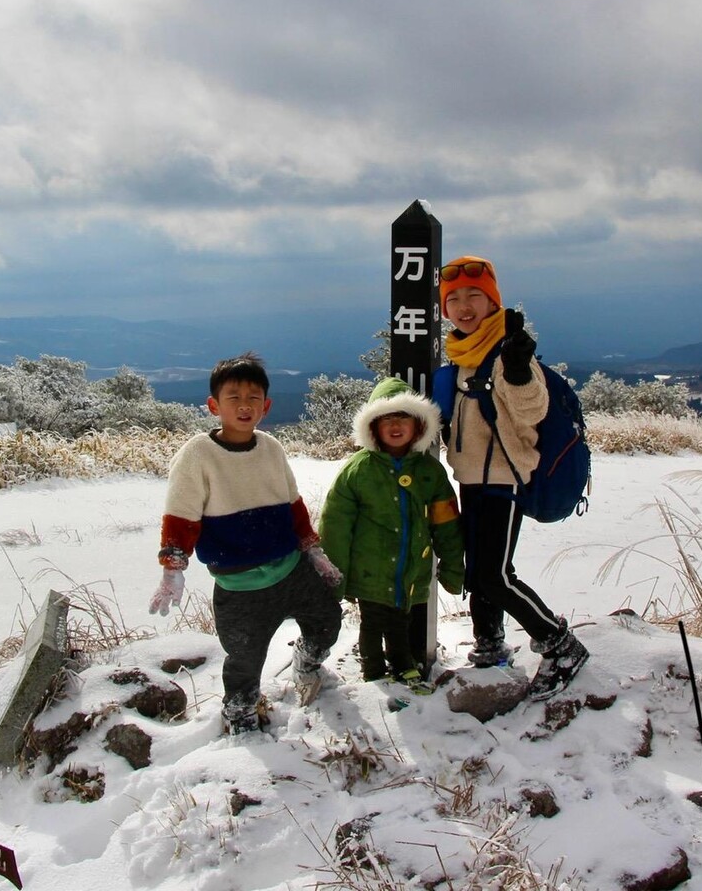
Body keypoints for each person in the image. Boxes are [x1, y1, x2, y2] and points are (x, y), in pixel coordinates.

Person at [147, 352, 344, 734]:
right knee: (244, 659)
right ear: (213, 406)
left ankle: (307, 661)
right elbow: (181, 514)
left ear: (266, 406)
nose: (244, 405)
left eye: (253, 397)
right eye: (233, 397)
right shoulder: (198, 455)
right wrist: (173, 569)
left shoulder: (270, 448)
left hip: (291, 569)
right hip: (240, 587)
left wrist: (312, 549)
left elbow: (292, 503)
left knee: (327, 623)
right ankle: (240, 716)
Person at [435, 256, 589, 700]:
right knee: (484, 567)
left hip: (504, 479)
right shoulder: (464, 352)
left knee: (493, 574)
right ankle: (489, 642)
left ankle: (561, 645)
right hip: (473, 478)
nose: (464, 306)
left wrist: (520, 371)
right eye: (455, 299)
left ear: (492, 302)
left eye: (475, 296)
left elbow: (531, 409)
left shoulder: (505, 351)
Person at [319, 376, 465, 694]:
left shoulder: (429, 472)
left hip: (410, 570)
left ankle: (404, 667)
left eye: (404, 418)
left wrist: (453, 566)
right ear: (373, 427)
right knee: (371, 622)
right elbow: (336, 525)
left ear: (419, 426)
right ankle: (373, 674)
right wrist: (333, 575)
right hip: (369, 568)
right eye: (387, 419)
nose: (396, 426)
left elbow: (447, 524)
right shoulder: (358, 470)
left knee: (401, 619)